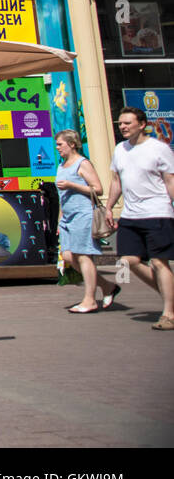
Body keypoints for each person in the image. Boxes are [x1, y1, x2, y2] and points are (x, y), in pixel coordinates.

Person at [105, 107, 174, 331]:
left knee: (158, 261)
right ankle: (168, 294)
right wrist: (109, 207)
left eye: (127, 123)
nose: (123, 127)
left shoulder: (159, 149)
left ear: (142, 124)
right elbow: (116, 181)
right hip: (130, 215)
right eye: (120, 124)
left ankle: (169, 313)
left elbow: (169, 180)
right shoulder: (120, 149)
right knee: (129, 260)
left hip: (158, 212)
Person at [54, 129, 119, 313]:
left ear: (72, 144)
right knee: (68, 256)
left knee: (83, 256)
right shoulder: (62, 166)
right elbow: (62, 196)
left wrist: (72, 185)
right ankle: (107, 286)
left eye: (60, 144)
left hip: (83, 214)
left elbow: (98, 189)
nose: (57, 147)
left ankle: (89, 300)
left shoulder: (82, 164)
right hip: (67, 217)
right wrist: (60, 220)